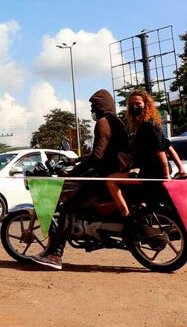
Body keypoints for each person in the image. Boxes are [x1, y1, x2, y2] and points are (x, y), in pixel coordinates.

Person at [30, 89, 129, 270]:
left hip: (104, 177)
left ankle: (55, 255)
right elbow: (102, 153)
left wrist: (75, 171)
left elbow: (98, 157)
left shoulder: (102, 123)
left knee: (69, 208)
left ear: (101, 106)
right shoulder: (117, 122)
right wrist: (77, 160)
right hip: (114, 173)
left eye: (93, 106)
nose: (92, 110)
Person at [105, 90, 181, 245]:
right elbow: (169, 146)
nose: (134, 107)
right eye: (131, 104)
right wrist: (181, 168)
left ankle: (126, 218)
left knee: (110, 180)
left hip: (151, 173)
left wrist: (166, 175)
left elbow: (160, 151)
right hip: (149, 171)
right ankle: (139, 213)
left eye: (138, 104)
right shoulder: (152, 123)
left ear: (146, 105)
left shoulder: (146, 126)